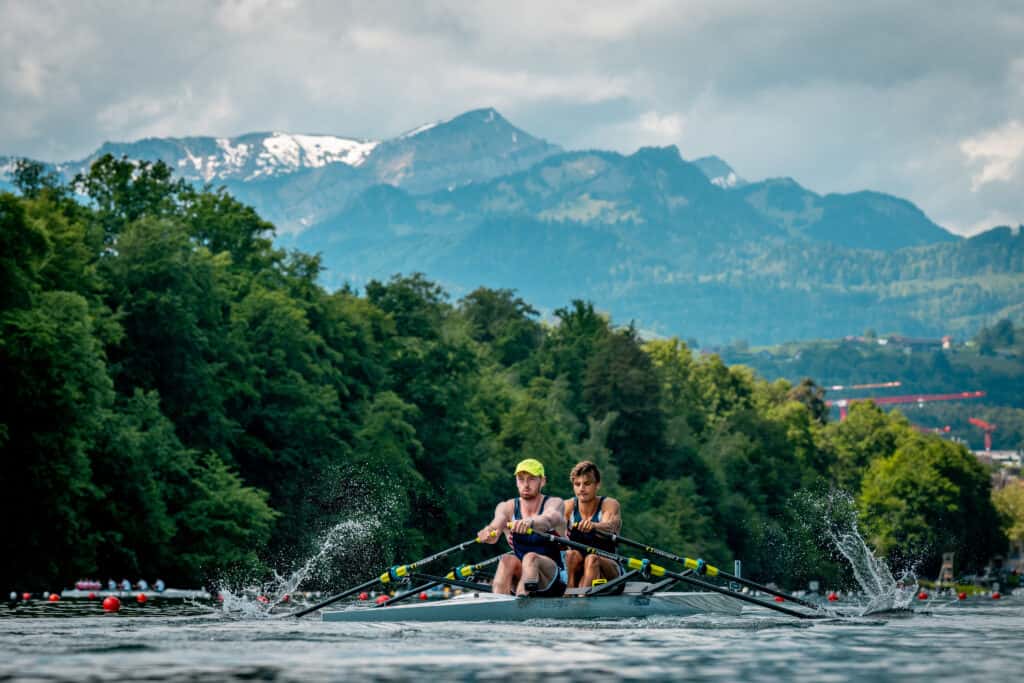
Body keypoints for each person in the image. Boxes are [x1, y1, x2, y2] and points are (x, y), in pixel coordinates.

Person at [477, 458, 567, 597]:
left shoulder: (555, 503)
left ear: (542, 481)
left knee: (531, 557)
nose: (525, 484)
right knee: (507, 559)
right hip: (524, 575)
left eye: (531, 479)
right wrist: (488, 532)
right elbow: (496, 526)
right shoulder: (506, 507)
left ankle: (522, 600)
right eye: (521, 479)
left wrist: (530, 522)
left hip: (553, 577)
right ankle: (498, 601)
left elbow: (549, 518)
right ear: (516, 482)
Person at [563, 460, 622, 591]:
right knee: (570, 555)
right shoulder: (568, 506)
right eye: (577, 484)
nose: (581, 489)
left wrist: (594, 526)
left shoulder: (609, 504)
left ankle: (581, 600)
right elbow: (556, 530)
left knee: (591, 559)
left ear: (597, 485)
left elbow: (610, 526)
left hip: (609, 567)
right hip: (578, 568)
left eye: (587, 484)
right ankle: (569, 594)